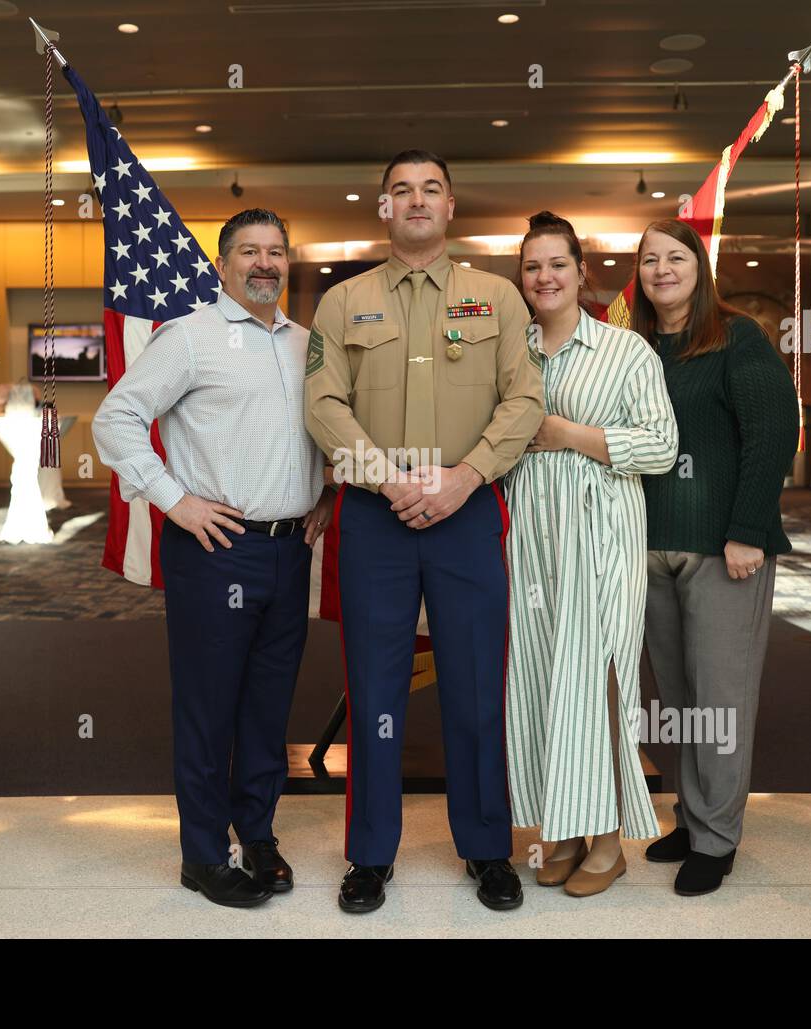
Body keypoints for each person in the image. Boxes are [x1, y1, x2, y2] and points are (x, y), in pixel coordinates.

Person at [304, 150, 544, 913]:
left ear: (450, 207)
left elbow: (524, 400)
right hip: (375, 514)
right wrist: (392, 477)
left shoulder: (497, 298)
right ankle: (370, 854)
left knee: (476, 684)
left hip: (467, 510)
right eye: (400, 190)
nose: (415, 200)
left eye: (430, 189)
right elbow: (323, 405)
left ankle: (485, 847)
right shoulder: (344, 302)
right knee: (376, 687)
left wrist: (465, 476)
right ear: (382, 208)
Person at [93, 208, 336, 908]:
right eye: (249, 251)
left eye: (276, 252)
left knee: (267, 706)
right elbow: (116, 418)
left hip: (289, 552)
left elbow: (316, 428)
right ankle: (202, 854)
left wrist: (324, 489)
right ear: (223, 264)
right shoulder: (190, 338)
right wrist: (174, 499)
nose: (265, 263)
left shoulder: (306, 344)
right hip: (215, 550)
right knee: (208, 709)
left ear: (288, 264)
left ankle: (256, 832)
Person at [504, 212, 678, 897]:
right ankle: (565, 828)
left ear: (582, 273)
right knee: (542, 675)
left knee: (599, 676)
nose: (544, 277)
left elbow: (661, 446)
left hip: (601, 536)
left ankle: (608, 838)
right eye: (532, 266)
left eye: (557, 264)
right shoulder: (506, 347)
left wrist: (569, 434)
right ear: (521, 278)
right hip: (527, 533)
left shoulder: (625, 350)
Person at [629, 218, 799, 896]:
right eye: (649, 260)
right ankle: (692, 816)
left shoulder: (736, 336)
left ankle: (718, 838)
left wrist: (749, 528)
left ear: (699, 266)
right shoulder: (636, 347)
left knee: (720, 698)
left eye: (675, 257)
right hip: (649, 547)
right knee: (680, 699)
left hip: (723, 548)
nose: (662, 269)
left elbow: (772, 429)